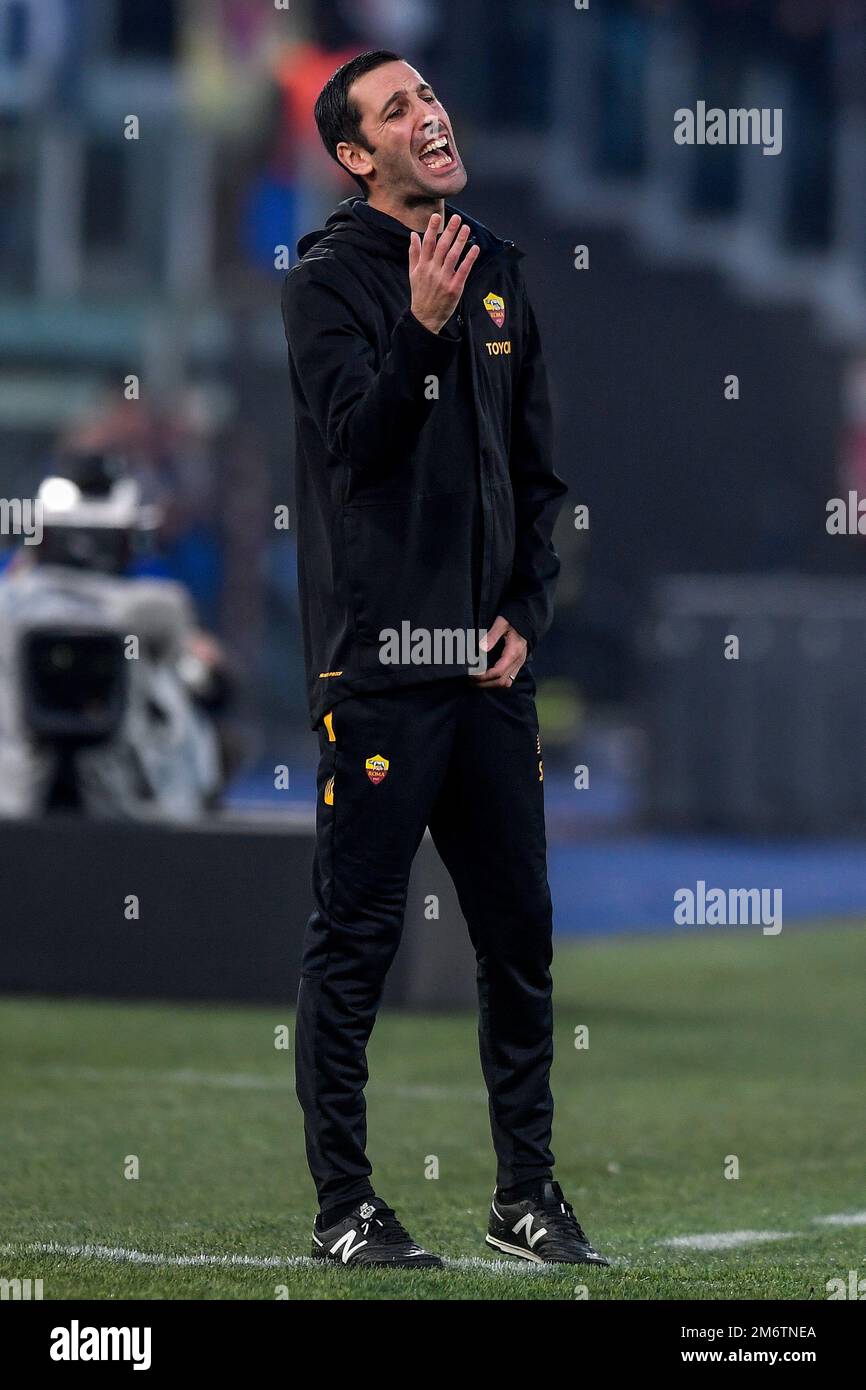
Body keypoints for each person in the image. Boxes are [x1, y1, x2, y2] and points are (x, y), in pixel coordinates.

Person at [281, 50, 609, 1269]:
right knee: (354, 940)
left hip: (486, 671)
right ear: (356, 157)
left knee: (517, 934)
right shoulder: (325, 283)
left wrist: (526, 605)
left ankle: (524, 1193)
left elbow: (538, 478)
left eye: (427, 96)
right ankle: (344, 1208)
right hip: (377, 668)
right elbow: (357, 451)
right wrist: (418, 330)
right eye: (395, 110)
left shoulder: (501, 275)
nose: (430, 115)